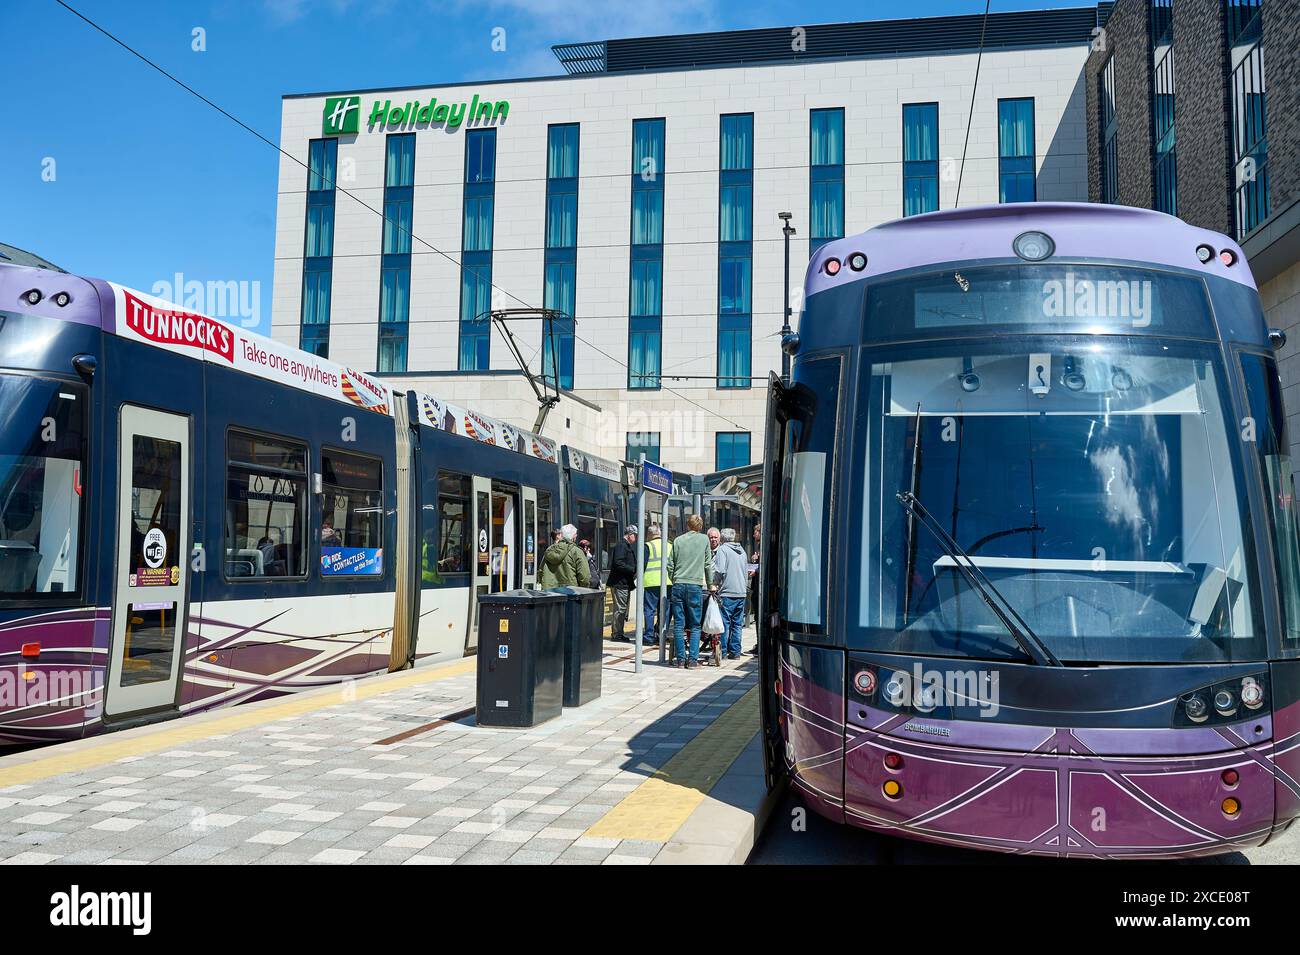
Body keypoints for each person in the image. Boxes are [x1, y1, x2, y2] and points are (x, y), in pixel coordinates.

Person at [666, 514, 712, 670]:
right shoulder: (704, 540)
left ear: (687, 525)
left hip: (678, 584)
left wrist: (675, 579)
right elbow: (707, 564)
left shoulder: (678, 540)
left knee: (678, 624)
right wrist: (710, 583)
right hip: (694, 586)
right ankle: (692, 661)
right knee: (695, 624)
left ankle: (680, 660)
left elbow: (670, 564)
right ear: (700, 527)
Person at [711, 528, 749, 660]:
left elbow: (719, 570)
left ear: (722, 538)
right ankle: (736, 652)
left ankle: (723, 650)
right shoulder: (742, 551)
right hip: (741, 592)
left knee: (725, 622)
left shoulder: (723, 550)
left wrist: (714, 583)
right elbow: (745, 571)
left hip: (728, 592)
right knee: (737, 624)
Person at [641, 524, 671, 647]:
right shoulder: (670, 545)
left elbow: (641, 564)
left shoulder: (648, 546)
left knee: (649, 610)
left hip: (651, 583)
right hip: (668, 582)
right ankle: (662, 634)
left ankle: (648, 636)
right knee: (665, 611)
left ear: (650, 534)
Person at [608, 524, 638, 642]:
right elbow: (618, 563)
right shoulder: (622, 546)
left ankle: (619, 632)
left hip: (624, 583)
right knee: (620, 609)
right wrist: (632, 569)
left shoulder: (626, 546)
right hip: (619, 583)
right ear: (630, 535)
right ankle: (616, 634)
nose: (636, 538)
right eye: (635, 535)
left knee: (622, 609)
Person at [539, 524, 587, 589]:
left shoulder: (549, 550)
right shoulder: (576, 551)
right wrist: (582, 589)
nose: (576, 535)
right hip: (570, 593)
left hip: (550, 594)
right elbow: (585, 577)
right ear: (573, 536)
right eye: (576, 534)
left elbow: (540, 572)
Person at [748, 522, 761, 654]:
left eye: (755, 532)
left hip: (759, 588)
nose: (753, 535)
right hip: (756, 586)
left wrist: (756, 569)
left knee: (758, 617)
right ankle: (758, 643)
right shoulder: (758, 546)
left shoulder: (762, 546)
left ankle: (760, 645)